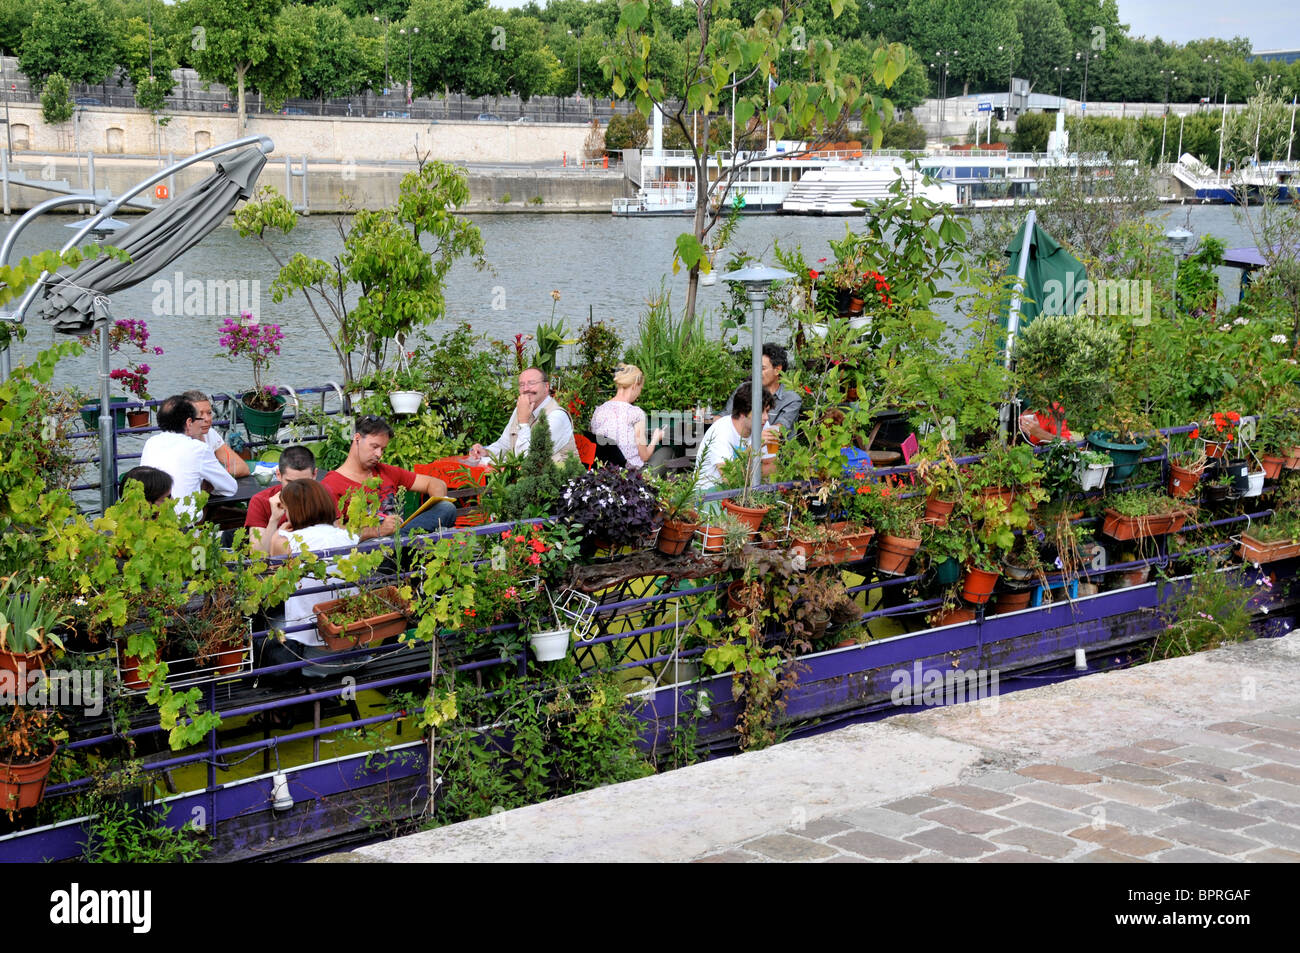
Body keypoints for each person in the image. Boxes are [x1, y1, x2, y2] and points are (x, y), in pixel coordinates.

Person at [253, 479, 359, 680]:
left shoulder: (285, 541)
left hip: (314, 661)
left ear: (293, 511)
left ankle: (280, 704)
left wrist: (276, 528)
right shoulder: (349, 536)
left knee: (263, 621)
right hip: (357, 654)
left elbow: (273, 597)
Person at [321, 415, 457, 539]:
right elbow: (334, 532)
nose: (379, 454)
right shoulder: (331, 484)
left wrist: (437, 503)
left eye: (383, 449)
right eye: (374, 447)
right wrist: (378, 531)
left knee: (446, 508)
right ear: (357, 439)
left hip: (400, 538)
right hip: (367, 549)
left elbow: (436, 484)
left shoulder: (386, 471)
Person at [139, 395, 238, 519]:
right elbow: (230, 488)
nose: (202, 422)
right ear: (189, 422)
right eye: (198, 419)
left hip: (150, 520)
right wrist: (204, 488)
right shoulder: (198, 448)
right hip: (183, 527)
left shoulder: (151, 442)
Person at [469, 367, 577, 464]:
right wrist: (487, 452)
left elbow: (530, 460)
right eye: (522, 384)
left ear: (546, 386)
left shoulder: (557, 417)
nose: (526, 389)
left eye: (531, 383)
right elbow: (505, 443)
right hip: (527, 481)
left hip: (561, 482)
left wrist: (523, 422)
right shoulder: (521, 408)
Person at [695, 383, 774, 493]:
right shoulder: (720, 431)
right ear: (743, 412)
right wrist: (755, 446)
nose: (766, 417)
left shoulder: (763, 425)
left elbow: (772, 466)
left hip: (744, 492)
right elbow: (729, 479)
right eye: (760, 412)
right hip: (709, 494)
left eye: (767, 411)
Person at [588, 363, 665, 469]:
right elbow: (644, 456)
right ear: (634, 386)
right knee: (667, 452)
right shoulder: (636, 413)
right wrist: (656, 439)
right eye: (640, 389)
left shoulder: (599, 410)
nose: (639, 394)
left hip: (605, 471)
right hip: (631, 475)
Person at [722, 343, 802, 437]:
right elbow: (725, 417)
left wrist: (757, 438)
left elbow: (780, 428)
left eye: (762, 368)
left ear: (777, 370)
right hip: (742, 447)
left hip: (776, 449)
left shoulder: (791, 399)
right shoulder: (744, 389)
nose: (757, 372)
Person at [245, 445, 317, 547]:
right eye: (290, 482)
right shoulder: (261, 501)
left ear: (314, 475)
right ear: (278, 475)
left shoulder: (323, 497)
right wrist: (274, 519)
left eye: (304, 482)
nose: (297, 489)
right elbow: (258, 554)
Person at [182, 389, 250, 478]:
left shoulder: (210, 434)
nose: (207, 419)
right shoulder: (176, 440)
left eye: (209, 413)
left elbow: (242, 467)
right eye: (200, 414)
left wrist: (214, 480)